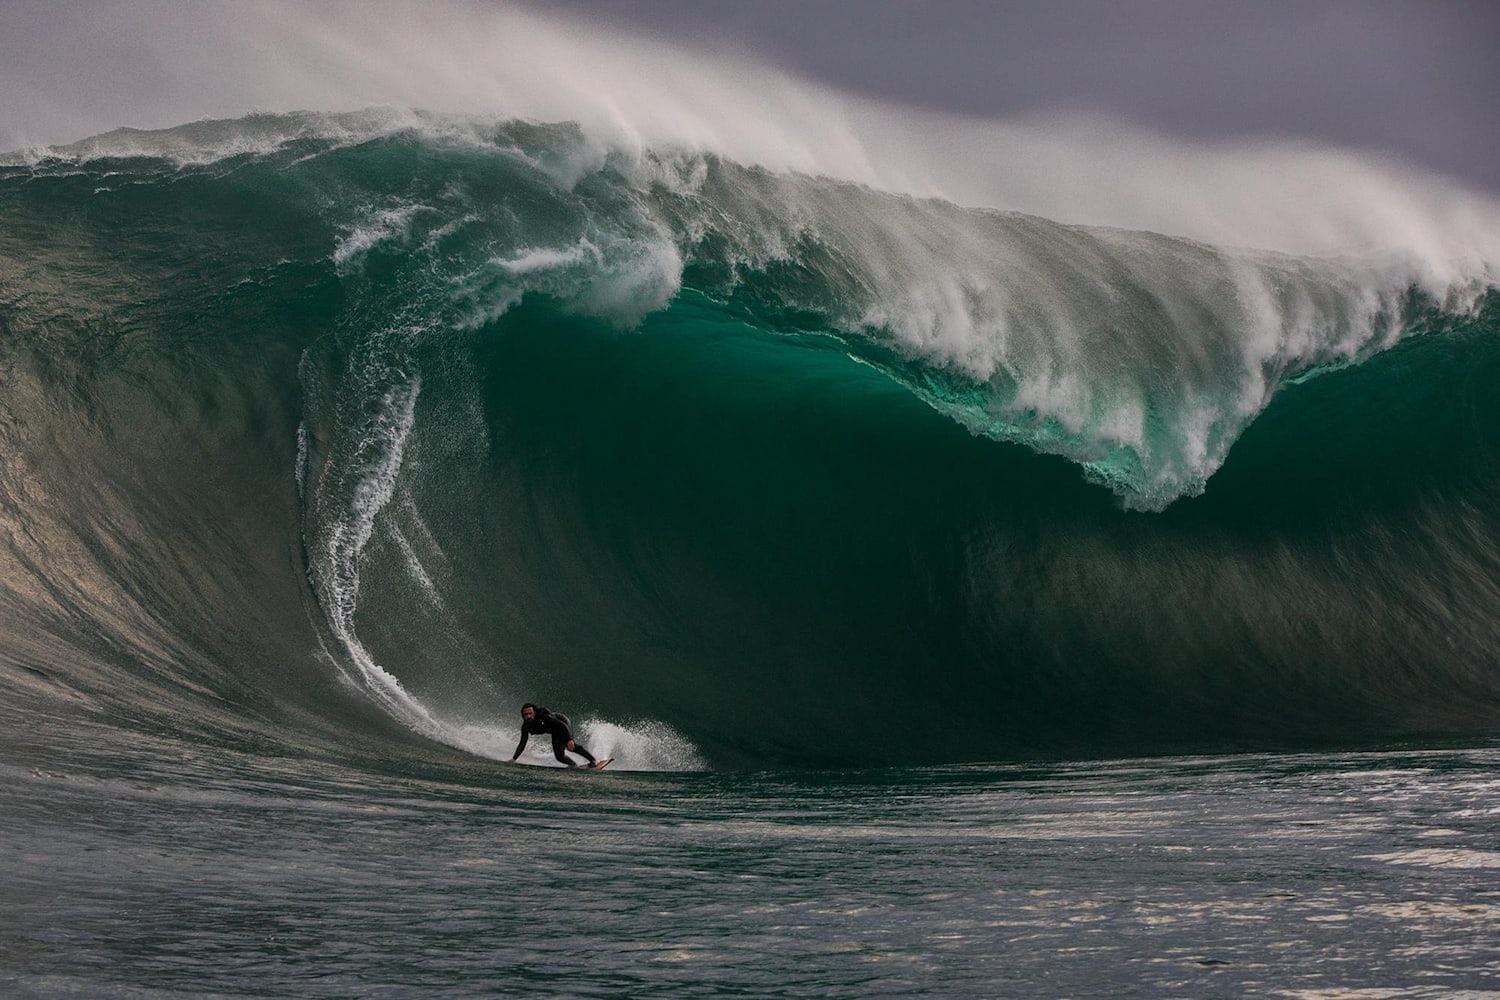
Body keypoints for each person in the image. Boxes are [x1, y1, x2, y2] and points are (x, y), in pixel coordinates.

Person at [510, 703, 602, 768]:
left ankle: (593, 760)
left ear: (535, 713)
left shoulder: (544, 717)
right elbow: (522, 743)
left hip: (562, 722)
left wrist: (570, 739)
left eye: (530, 713)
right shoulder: (526, 726)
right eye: (526, 714)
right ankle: (573, 765)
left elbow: (562, 726)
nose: (528, 716)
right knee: (559, 756)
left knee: (570, 746)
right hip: (554, 730)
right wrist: (514, 759)